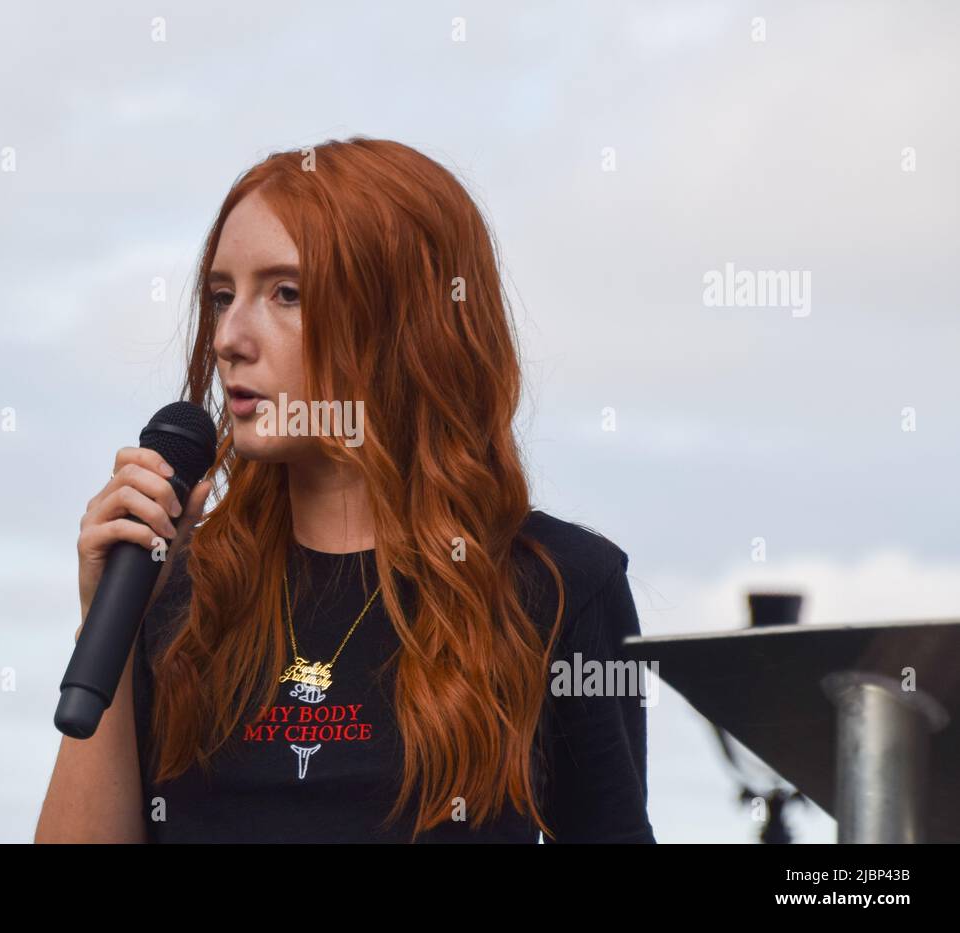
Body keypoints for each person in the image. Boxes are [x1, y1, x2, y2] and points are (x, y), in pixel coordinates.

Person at [36, 137, 655, 844]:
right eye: (220, 297)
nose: (230, 337)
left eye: (287, 293)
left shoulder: (557, 584)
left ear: (406, 321)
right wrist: (105, 627)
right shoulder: (176, 590)